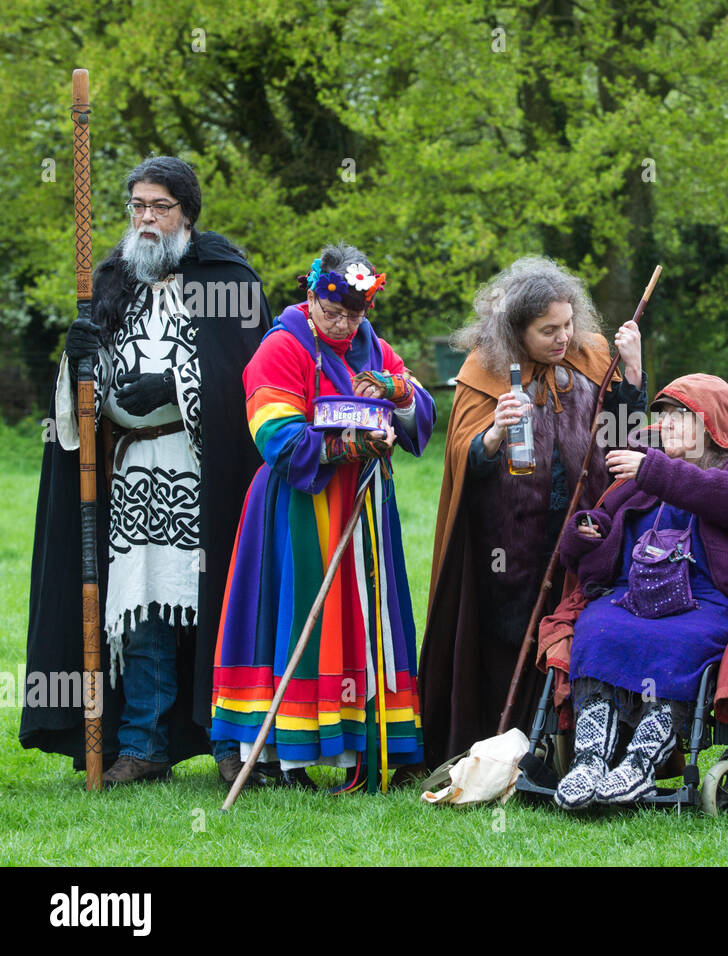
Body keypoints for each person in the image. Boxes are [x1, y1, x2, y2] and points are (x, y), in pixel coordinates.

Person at [21, 156, 271, 787]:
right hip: (133, 470)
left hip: (204, 470)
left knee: (219, 602)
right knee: (142, 610)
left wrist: (177, 382)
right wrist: (81, 362)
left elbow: (244, 378)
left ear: (186, 212)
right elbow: (84, 387)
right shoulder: (112, 278)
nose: (147, 219)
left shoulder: (226, 278)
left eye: (159, 206)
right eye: (137, 206)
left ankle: (230, 743)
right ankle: (142, 742)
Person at [210, 244, 435, 792]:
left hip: (365, 514)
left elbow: (420, 415)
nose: (341, 324)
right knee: (296, 618)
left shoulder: (374, 350)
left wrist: (396, 390)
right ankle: (277, 753)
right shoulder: (281, 347)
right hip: (297, 509)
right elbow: (276, 438)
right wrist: (352, 443)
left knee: (366, 618)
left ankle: (371, 745)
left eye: (353, 315)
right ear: (309, 295)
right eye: (331, 311)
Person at [418, 256, 646, 765]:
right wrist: (496, 432)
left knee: (578, 630)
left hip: (582, 530)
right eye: (549, 330)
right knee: (511, 636)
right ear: (516, 330)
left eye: (568, 324)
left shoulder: (591, 355)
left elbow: (622, 436)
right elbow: (463, 461)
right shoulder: (486, 370)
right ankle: (507, 746)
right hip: (509, 542)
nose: (564, 337)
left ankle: (572, 747)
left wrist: (632, 372)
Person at [551, 374, 728, 807]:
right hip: (634, 595)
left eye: (680, 418)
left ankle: (640, 765)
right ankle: (591, 758)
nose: (666, 427)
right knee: (596, 627)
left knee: (678, 640)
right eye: (662, 418)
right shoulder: (648, 470)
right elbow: (607, 523)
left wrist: (659, 473)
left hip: (711, 600)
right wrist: (588, 530)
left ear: (711, 424)